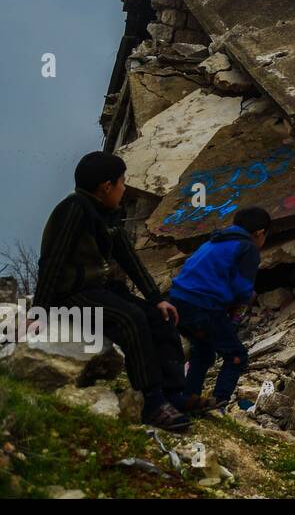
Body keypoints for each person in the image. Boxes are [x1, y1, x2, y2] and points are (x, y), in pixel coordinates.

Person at [34, 152, 190, 431]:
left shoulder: (106, 214)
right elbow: (52, 261)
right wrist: (40, 310)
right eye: (122, 181)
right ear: (106, 186)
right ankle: (152, 402)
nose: (125, 188)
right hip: (70, 296)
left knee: (159, 317)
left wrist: (156, 299)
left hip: (98, 290)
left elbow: (129, 258)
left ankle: (175, 394)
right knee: (130, 318)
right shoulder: (75, 209)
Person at [166, 207, 270, 411]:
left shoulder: (215, 241)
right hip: (203, 305)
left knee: (204, 351)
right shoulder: (247, 248)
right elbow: (242, 289)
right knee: (236, 355)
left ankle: (188, 398)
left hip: (177, 300)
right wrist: (248, 299)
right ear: (259, 233)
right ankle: (219, 402)